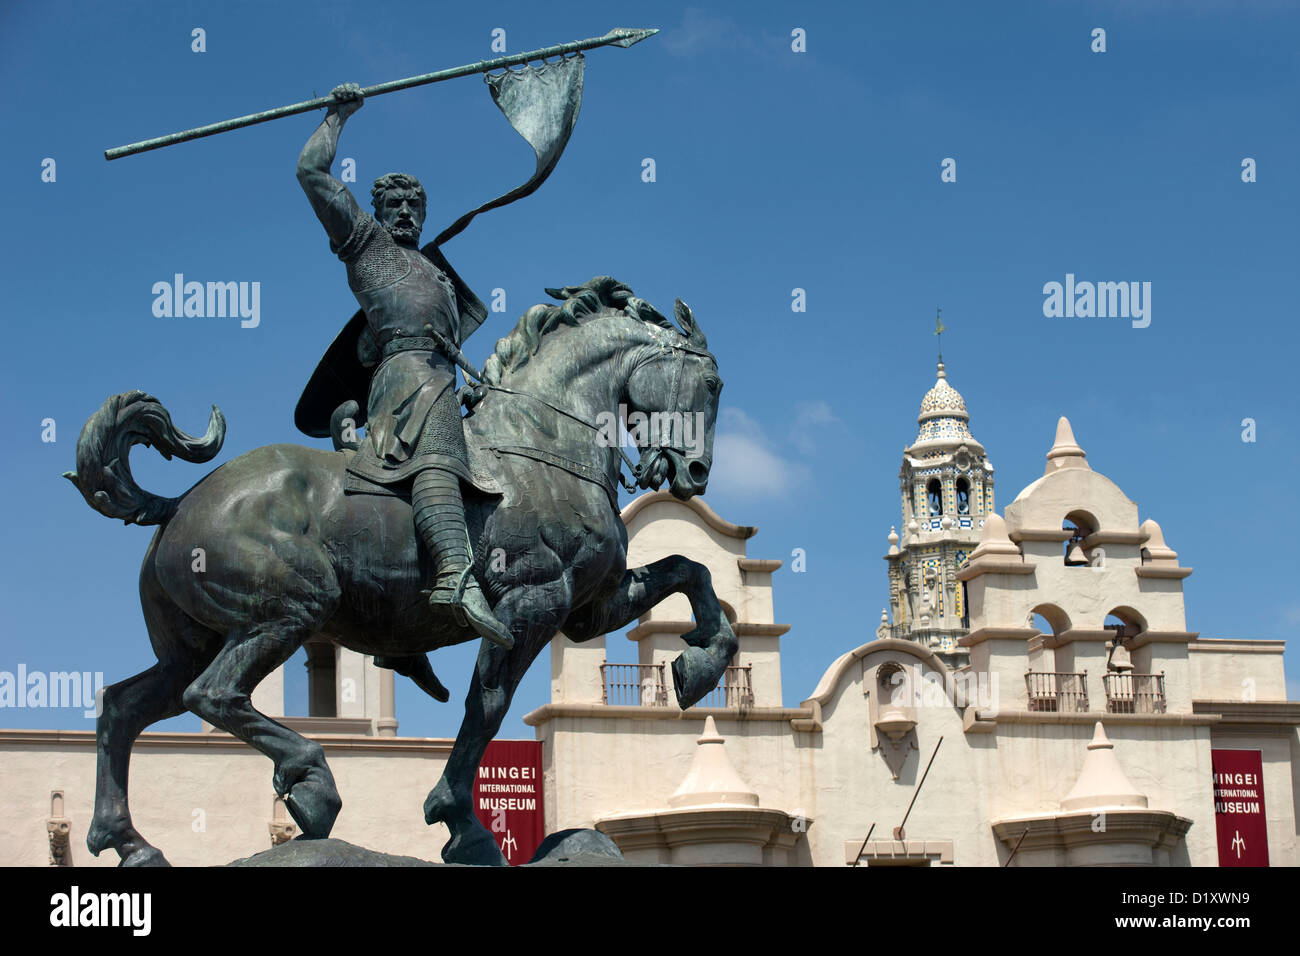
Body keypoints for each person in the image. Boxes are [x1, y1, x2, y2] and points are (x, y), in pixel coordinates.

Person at [296, 82, 511, 649]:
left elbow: (451, 340)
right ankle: (453, 577)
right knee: (438, 450)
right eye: (395, 204)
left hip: (442, 375)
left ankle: (406, 634)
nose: (407, 213)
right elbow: (312, 175)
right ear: (376, 210)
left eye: (416, 205)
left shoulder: (437, 274)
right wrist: (336, 117)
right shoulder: (367, 245)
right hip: (405, 378)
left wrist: (474, 384)